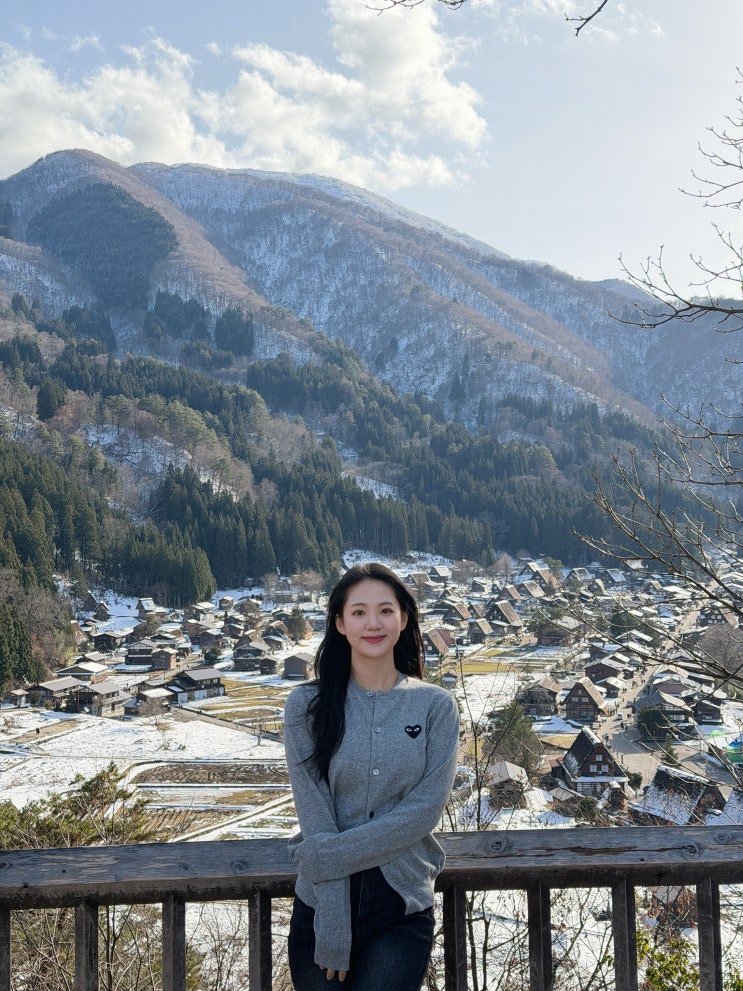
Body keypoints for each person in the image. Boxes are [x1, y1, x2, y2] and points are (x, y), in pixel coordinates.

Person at [284, 562, 460, 990]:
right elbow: (313, 808)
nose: (373, 623)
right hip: (321, 905)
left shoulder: (436, 706)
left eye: (385, 610)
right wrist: (334, 921)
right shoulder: (306, 705)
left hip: (400, 907)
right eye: (359, 612)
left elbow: (423, 812)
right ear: (340, 623)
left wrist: (324, 857)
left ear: (404, 618)